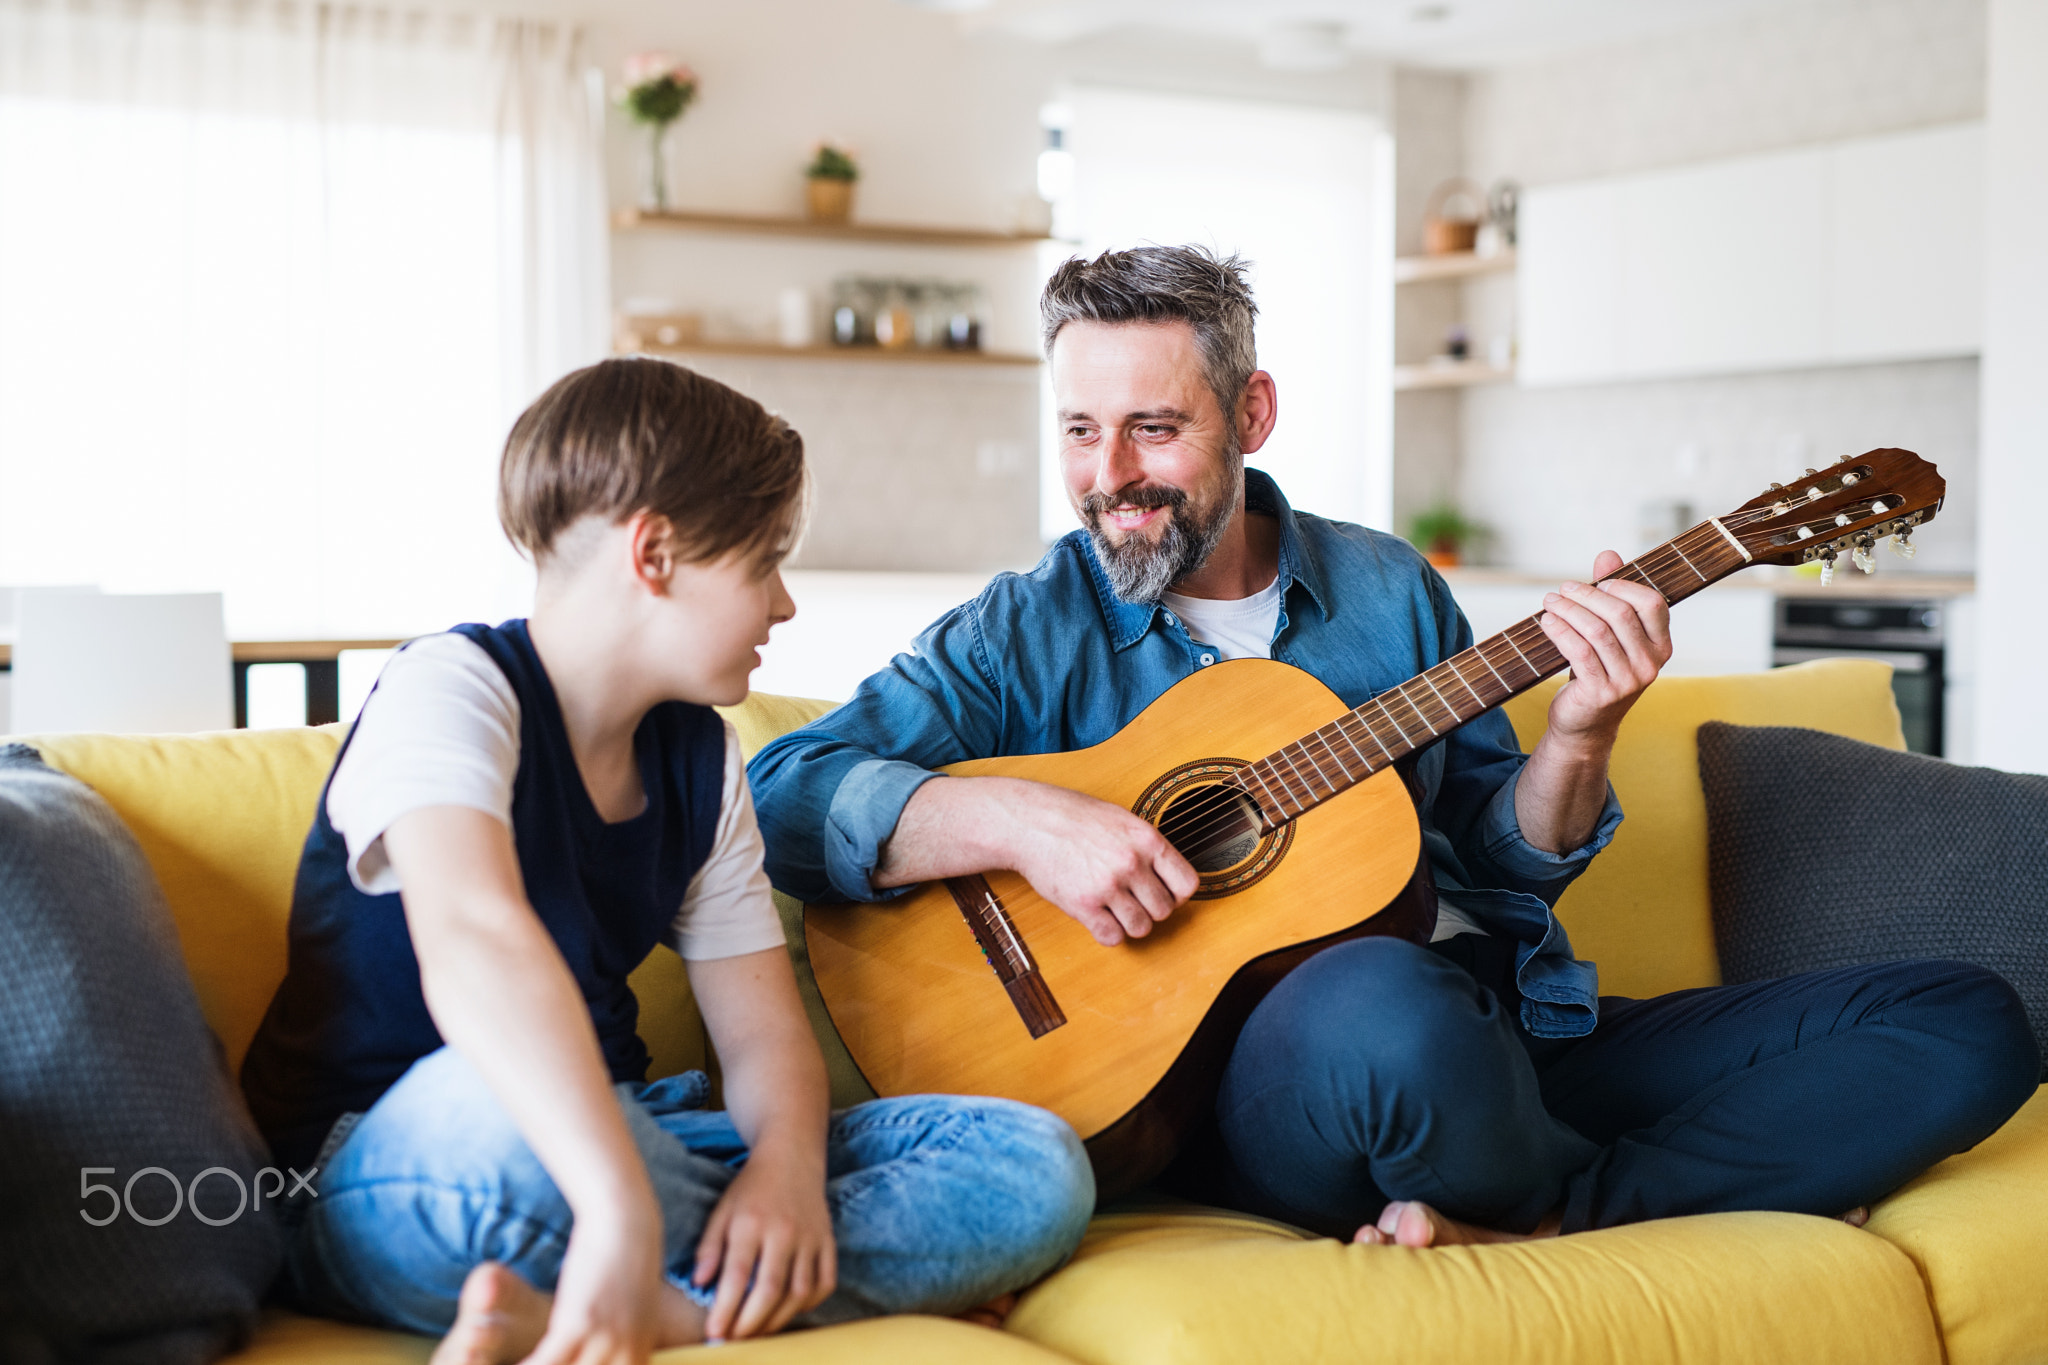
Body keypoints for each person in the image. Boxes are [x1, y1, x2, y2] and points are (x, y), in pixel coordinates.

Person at [749, 245, 2039, 1250]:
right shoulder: (1022, 628)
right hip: (1266, 1090)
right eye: (1080, 431)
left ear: (1249, 411)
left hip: (1508, 1033)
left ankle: (1549, 1213)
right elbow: (785, 795)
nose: (1110, 476)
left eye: (1153, 428)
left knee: (1965, 1020)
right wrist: (1031, 822)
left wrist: (1580, 734)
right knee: (1383, 998)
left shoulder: (1383, 593)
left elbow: (1495, 865)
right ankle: (1686, 1187)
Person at [239, 358, 1093, 1365]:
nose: (783, 605)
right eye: (764, 562)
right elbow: (473, 941)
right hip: (399, 1157)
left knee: (1030, 1162)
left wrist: (780, 1171)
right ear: (655, 554)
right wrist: (615, 1204)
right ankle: (744, 1270)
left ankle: (644, 1309)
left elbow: (764, 1039)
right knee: (501, 1122)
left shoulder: (700, 756)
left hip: (637, 1135)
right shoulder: (450, 688)